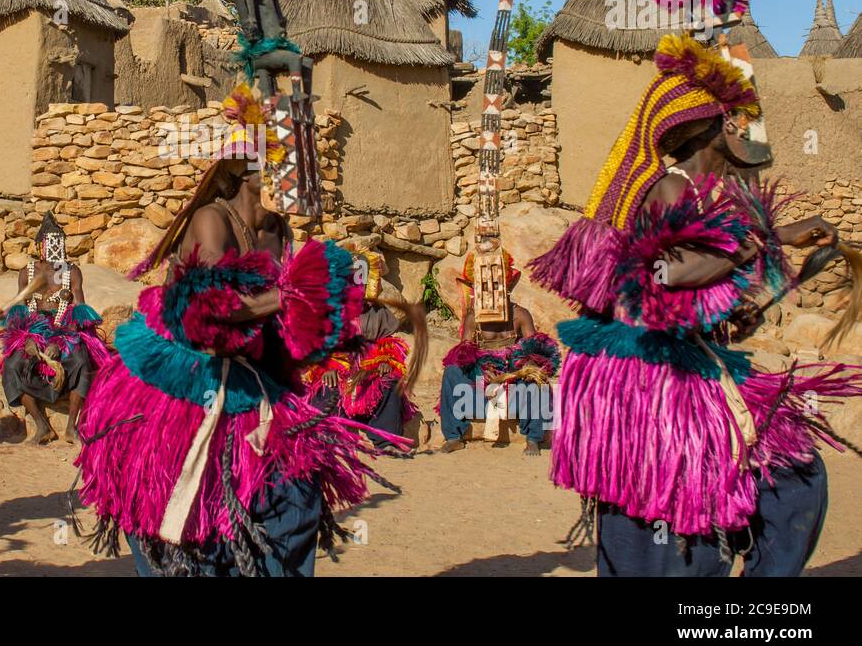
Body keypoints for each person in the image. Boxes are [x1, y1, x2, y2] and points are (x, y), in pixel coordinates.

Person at [531, 33, 861, 576]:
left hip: (693, 364)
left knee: (795, 479)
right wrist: (758, 243)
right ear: (724, 125)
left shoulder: (704, 193)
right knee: (667, 529)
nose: (750, 132)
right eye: (743, 118)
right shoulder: (667, 189)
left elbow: (692, 288)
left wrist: (736, 309)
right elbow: (665, 272)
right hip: (649, 385)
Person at [74, 85, 402, 576]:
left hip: (253, 383)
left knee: (295, 500)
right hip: (185, 385)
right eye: (284, 158)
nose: (296, 171)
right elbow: (209, 315)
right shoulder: (211, 221)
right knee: (189, 518)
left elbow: (284, 321)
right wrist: (289, 297)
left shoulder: (280, 232)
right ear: (246, 168)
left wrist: (339, 326)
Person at [438, 249, 560, 455]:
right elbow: (463, 353)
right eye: (485, 287)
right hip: (482, 377)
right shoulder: (473, 317)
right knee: (452, 372)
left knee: (536, 378)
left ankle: (533, 439)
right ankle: (453, 437)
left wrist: (523, 368)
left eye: (496, 286)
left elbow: (535, 350)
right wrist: (481, 368)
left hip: (513, 376)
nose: (491, 291)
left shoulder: (520, 314)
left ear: (506, 287)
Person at [0, 213, 107, 445]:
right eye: (50, 242)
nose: (55, 247)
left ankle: (71, 428)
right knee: (12, 365)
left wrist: (59, 341)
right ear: (40, 245)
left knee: (80, 359)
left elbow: (78, 311)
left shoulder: (72, 271)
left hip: (64, 330)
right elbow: (18, 312)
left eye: (59, 242)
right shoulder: (26, 273)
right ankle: (42, 426)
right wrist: (26, 339)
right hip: (32, 332)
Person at [299, 254, 418, 447]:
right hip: (338, 373)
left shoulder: (377, 313)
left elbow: (388, 343)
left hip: (367, 372)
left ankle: (386, 440)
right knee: (325, 387)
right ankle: (329, 439)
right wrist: (326, 367)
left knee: (390, 383)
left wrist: (385, 361)